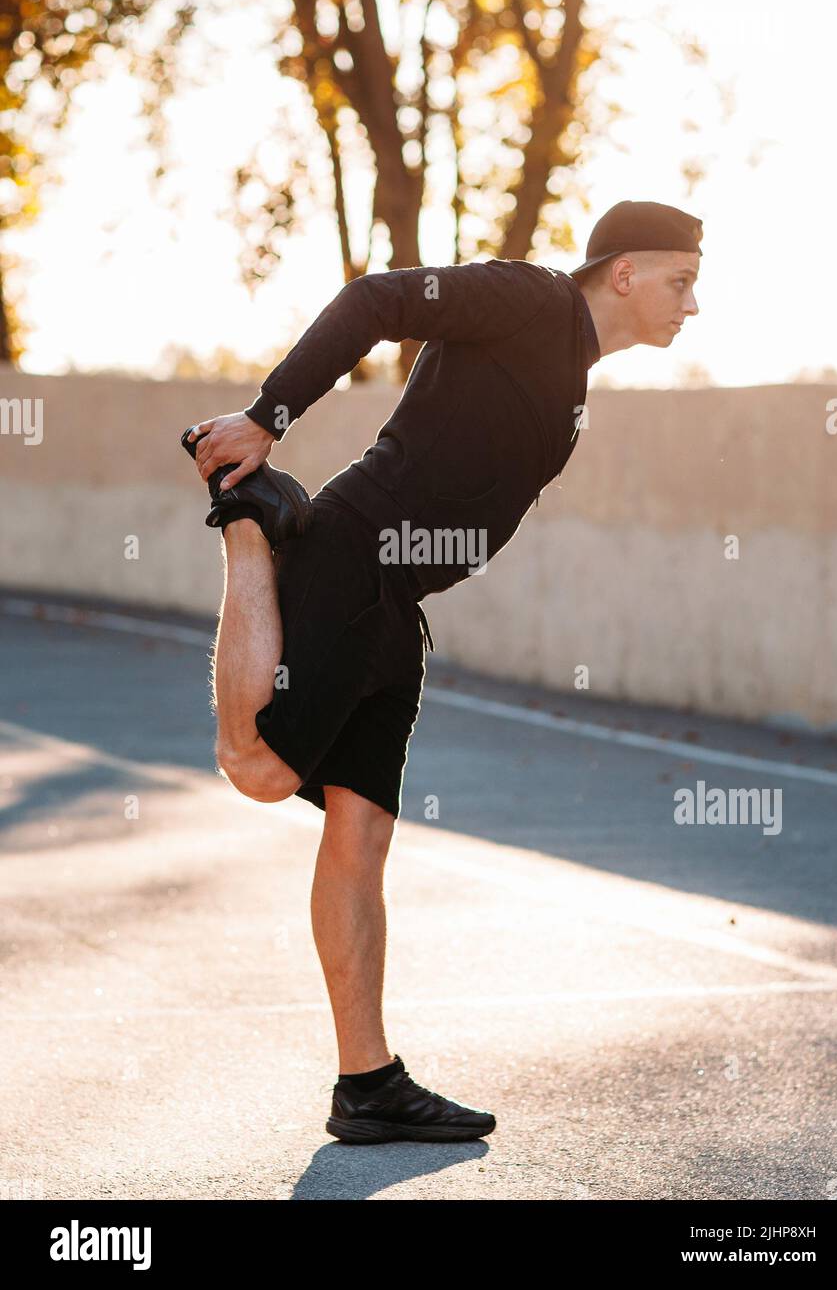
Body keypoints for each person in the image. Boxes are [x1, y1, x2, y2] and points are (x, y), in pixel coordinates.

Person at [181, 199, 702, 1144]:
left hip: (399, 601)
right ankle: (250, 521)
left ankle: (367, 1084)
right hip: (350, 553)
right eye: (681, 280)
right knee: (259, 767)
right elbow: (378, 298)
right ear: (623, 273)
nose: (691, 303)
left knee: (362, 834)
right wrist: (268, 418)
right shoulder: (532, 301)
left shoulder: (571, 370)